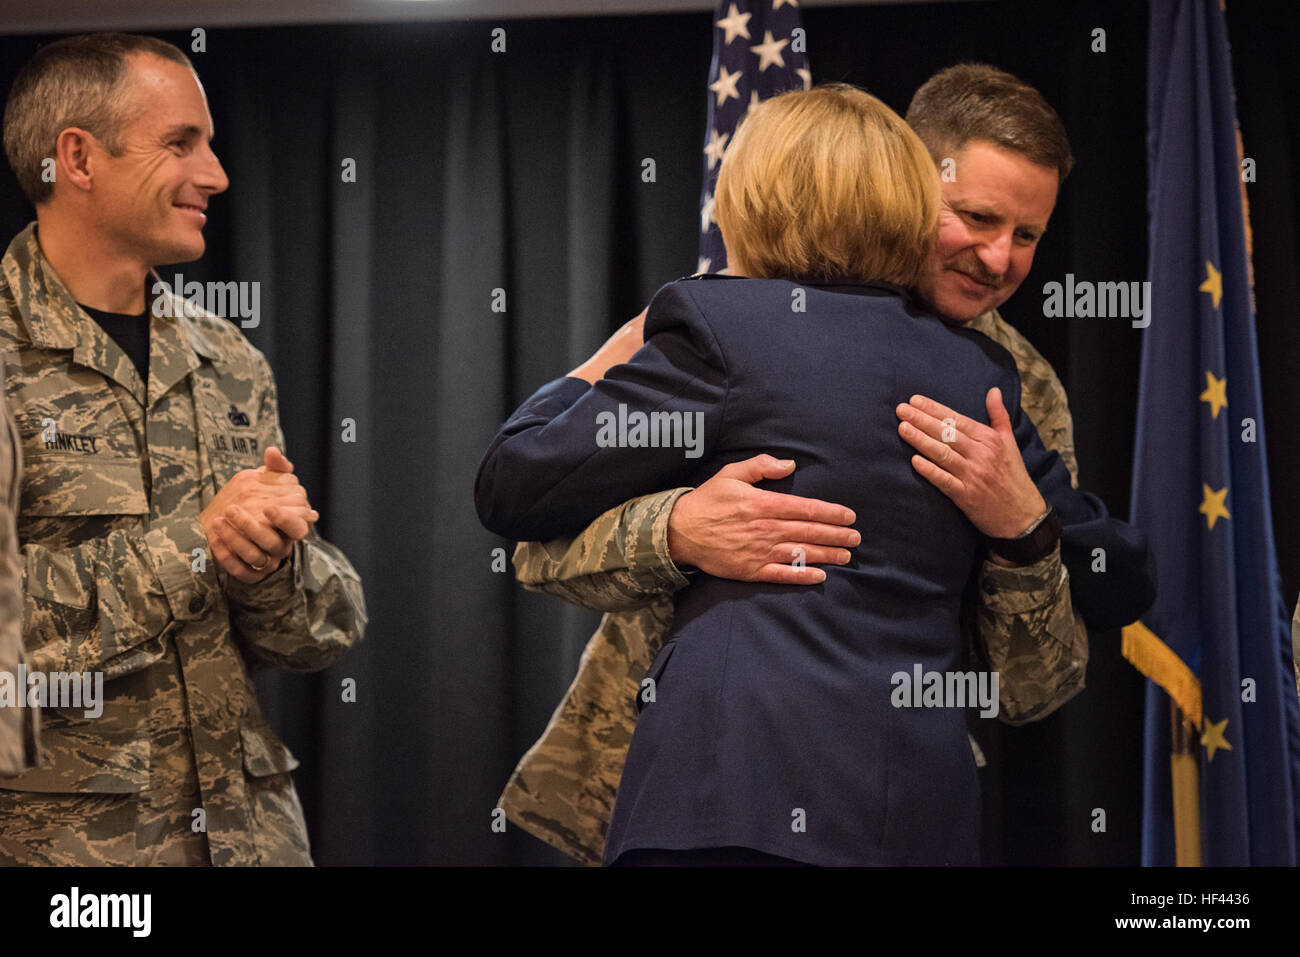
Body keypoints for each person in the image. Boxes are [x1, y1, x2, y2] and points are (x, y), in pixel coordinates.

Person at [496, 64, 1154, 865]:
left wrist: (1025, 525)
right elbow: (536, 551)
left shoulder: (1008, 381)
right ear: (906, 184)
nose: (997, 258)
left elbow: (1051, 663)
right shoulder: (730, 319)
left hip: (866, 789)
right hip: (681, 767)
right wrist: (677, 531)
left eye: (1027, 235)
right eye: (976, 218)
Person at [0, 33, 366, 865]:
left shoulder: (228, 359)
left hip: (249, 836)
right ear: (78, 159)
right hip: (72, 858)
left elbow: (316, 632)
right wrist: (195, 544)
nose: (216, 176)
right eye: (181, 144)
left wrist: (270, 565)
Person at [0, 369, 36, 779]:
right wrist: (192, 547)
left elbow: (284, 643)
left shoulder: (235, 359)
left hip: (255, 823)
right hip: (47, 828)